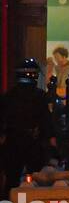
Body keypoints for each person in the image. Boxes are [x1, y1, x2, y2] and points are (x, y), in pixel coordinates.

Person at [0, 58, 58, 195]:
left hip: (13, 143)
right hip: (34, 143)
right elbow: (47, 121)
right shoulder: (41, 97)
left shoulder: (9, 97)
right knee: (37, 179)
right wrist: (53, 141)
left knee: (12, 180)